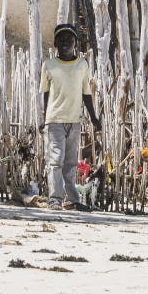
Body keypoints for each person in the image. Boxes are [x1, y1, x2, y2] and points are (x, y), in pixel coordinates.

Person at [40, 23, 101, 211]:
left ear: (76, 42)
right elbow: (45, 93)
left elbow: (86, 93)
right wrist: (44, 118)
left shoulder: (82, 65)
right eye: (61, 39)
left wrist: (94, 117)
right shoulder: (48, 65)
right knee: (55, 160)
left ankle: (72, 199)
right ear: (55, 43)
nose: (65, 42)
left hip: (74, 120)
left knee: (71, 163)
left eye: (70, 39)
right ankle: (55, 199)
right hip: (54, 120)